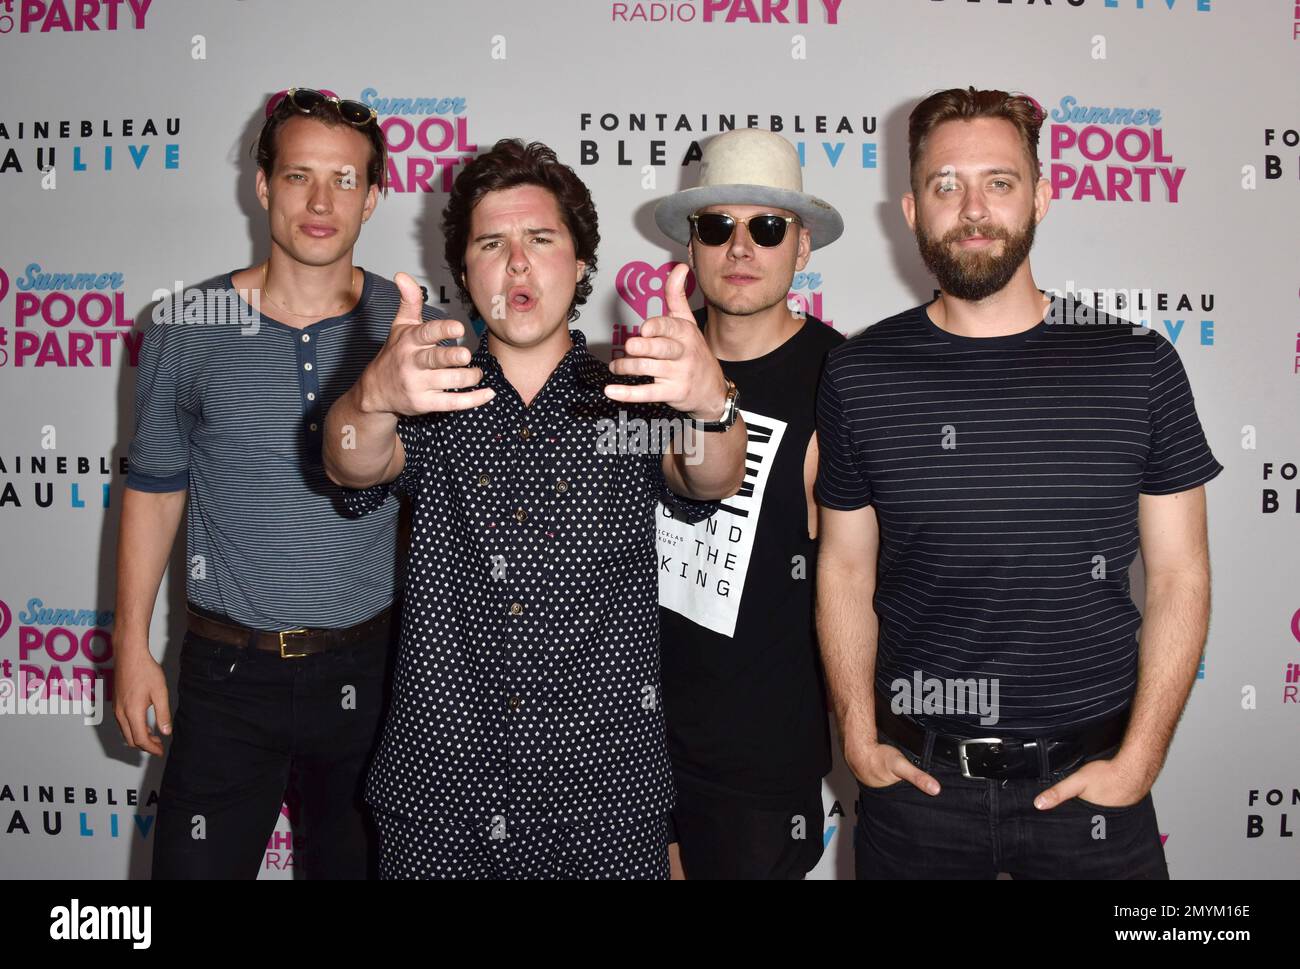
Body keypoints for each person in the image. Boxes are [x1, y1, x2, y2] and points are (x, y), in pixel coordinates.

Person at [815, 87, 1221, 879]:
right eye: (945, 185)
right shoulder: (860, 373)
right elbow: (844, 566)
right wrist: (858, 735)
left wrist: (1139, 760)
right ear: (909, 207)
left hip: (1091, 791)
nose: (972, 208)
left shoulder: (1137, 364)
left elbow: (1181, 573)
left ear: (1042, 194)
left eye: (999, 182)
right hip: (916, 794)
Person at [323, 138, 747, 879]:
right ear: (463, 270)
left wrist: (714, 401)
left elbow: (710, 476)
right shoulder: (429, 386)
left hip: (604, 801)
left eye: (541, 239)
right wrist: (372, 396)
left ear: (581, 262)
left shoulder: (630, 388)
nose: (517, 261)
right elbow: (347, 458)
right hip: (440, 796)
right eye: (492, 242)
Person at [114, 87, 440, 879]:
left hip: (373, 672)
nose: (320, 202)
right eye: (298, 177)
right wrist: (130, 642)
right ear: (263, 187)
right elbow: (155, 487)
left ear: (375, 197)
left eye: (344, 180)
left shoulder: (410, 326)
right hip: (230, 678)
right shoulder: (187, 326)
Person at [651, 128, 844, 879]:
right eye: (717, 226)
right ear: (691, 247)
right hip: (629, 746)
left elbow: (863, 581)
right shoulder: (648, 363)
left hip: (763, 769)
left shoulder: (844, 380)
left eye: (766, 228)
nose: (740, 248)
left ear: (801, 249)